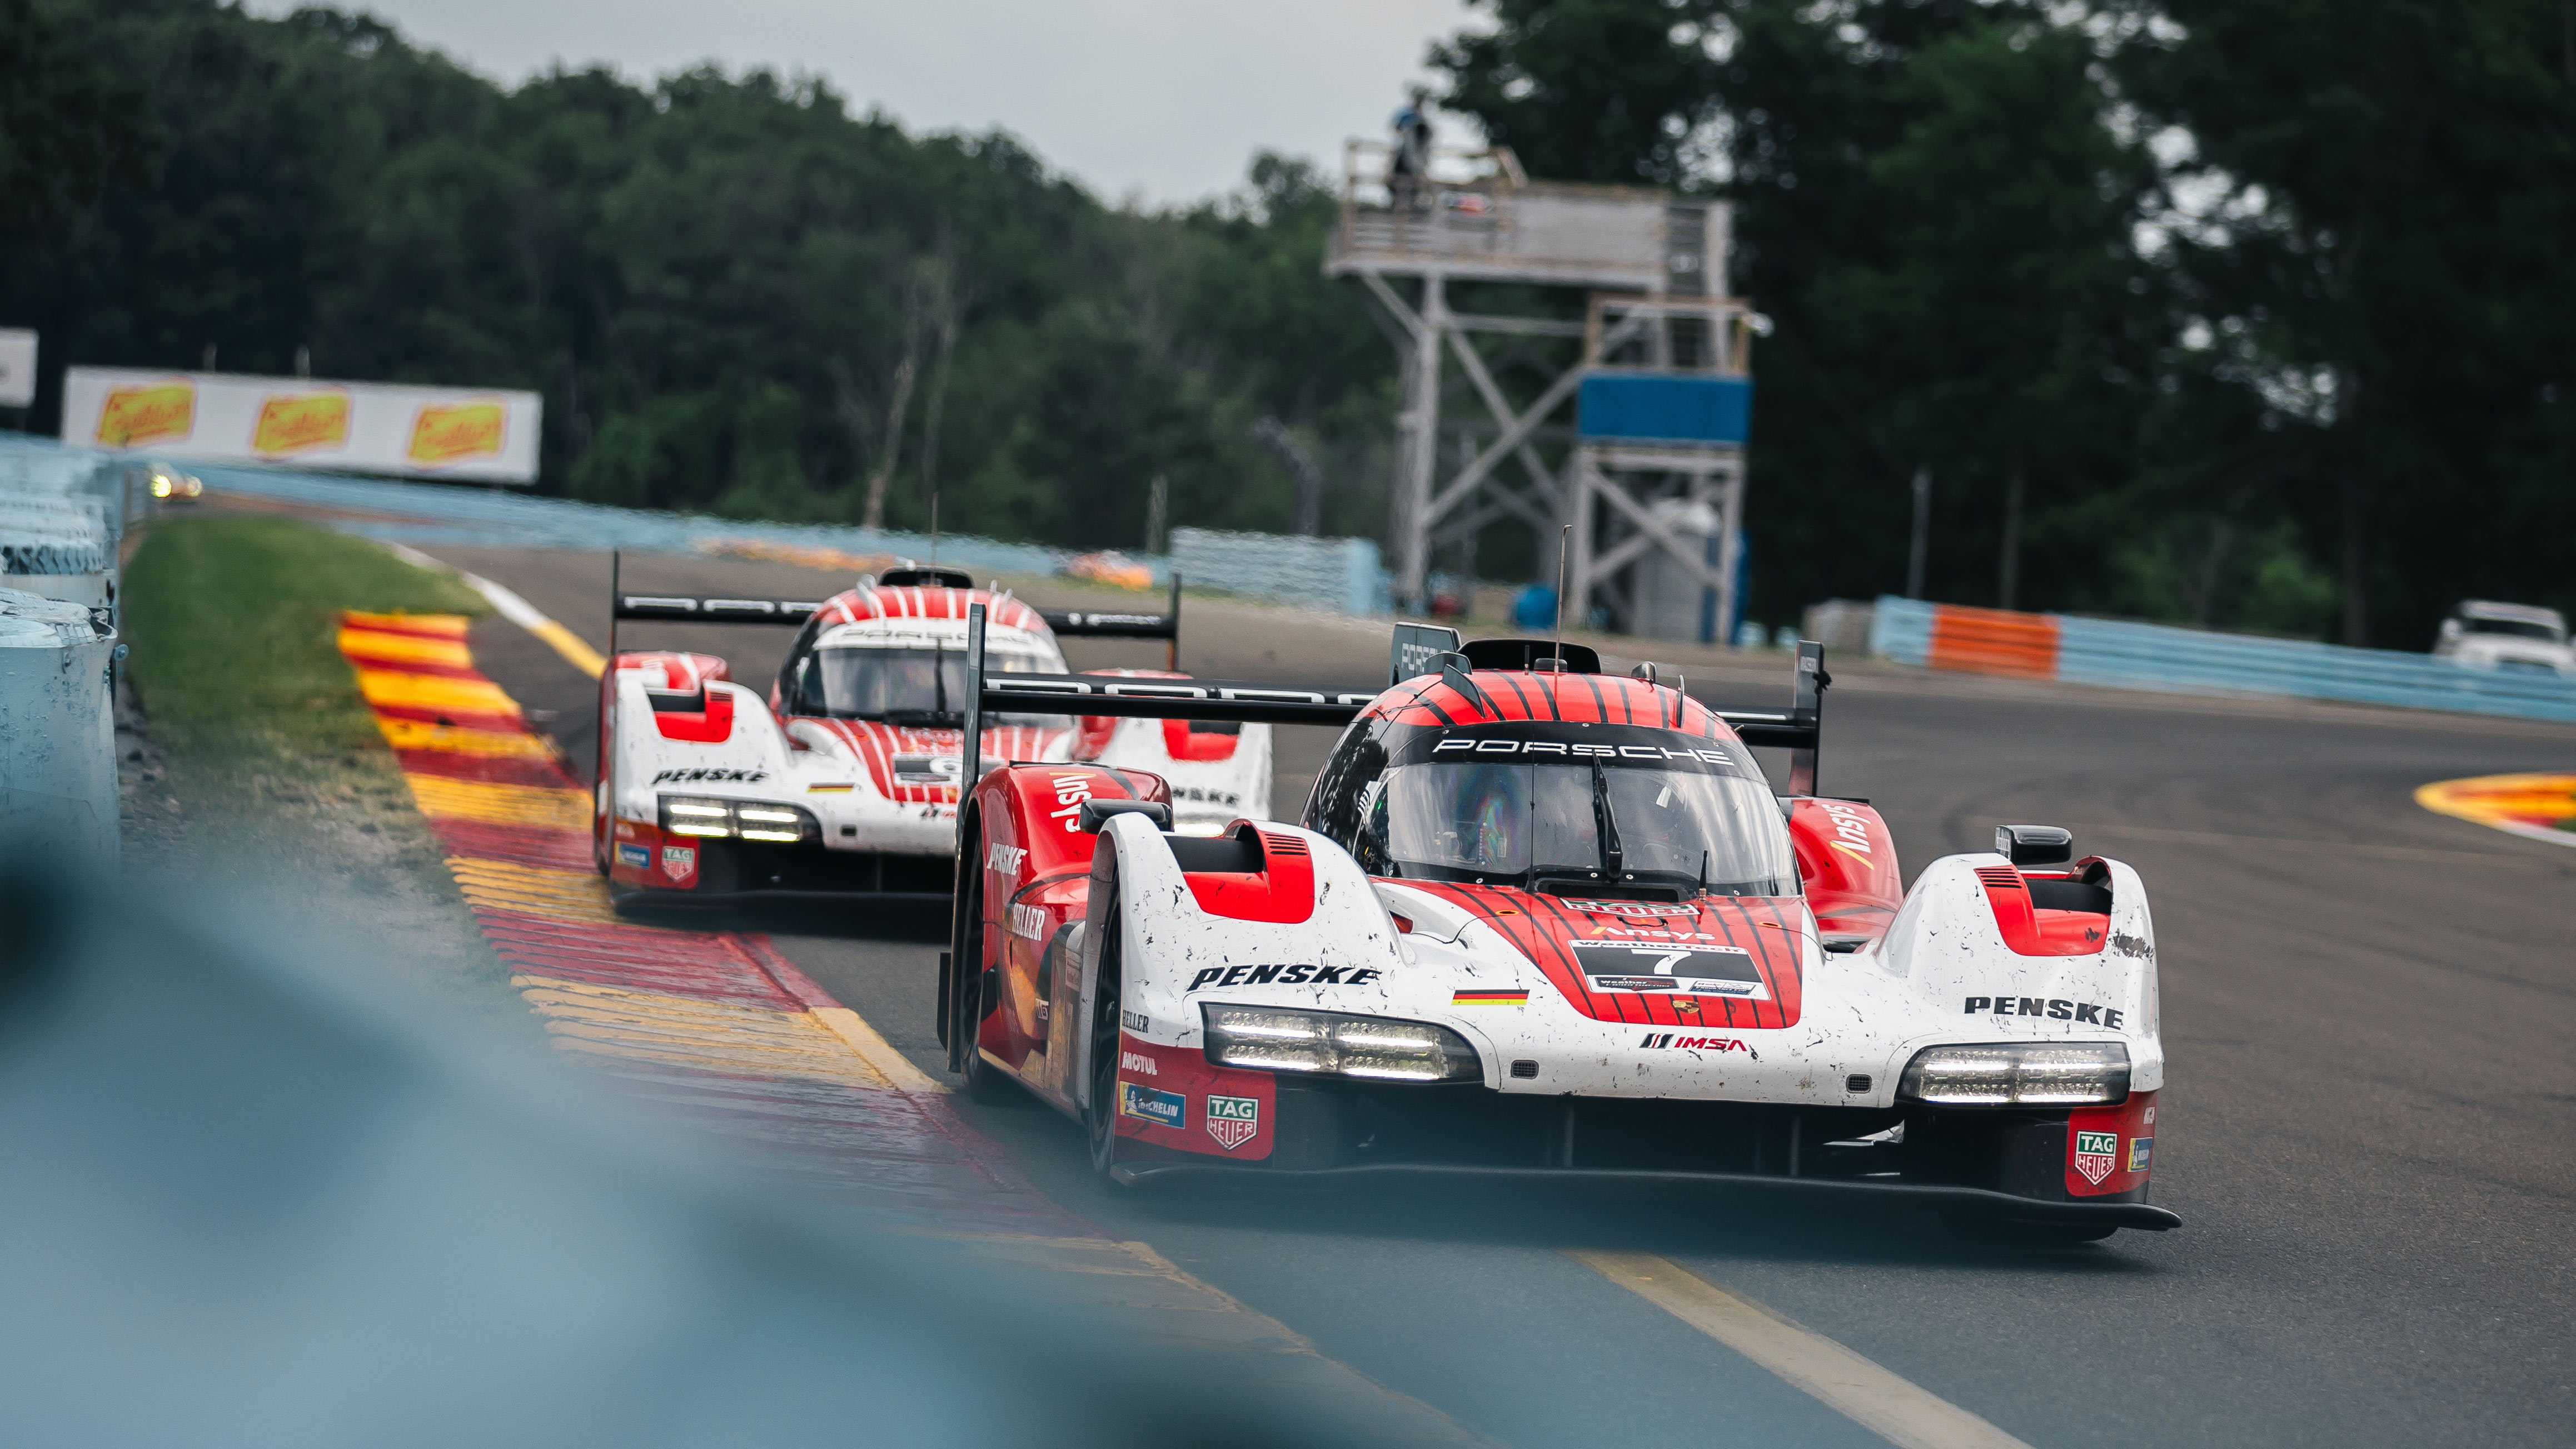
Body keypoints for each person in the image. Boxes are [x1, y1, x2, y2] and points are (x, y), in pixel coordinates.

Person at [1389, 86, 1434, 210]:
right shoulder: (1406, 113)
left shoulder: (1423, 117)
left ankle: (1414, 202)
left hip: (1419, 155)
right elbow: (1396, 127)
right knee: (1399, 177)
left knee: (1417, 180)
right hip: (1403, 151)